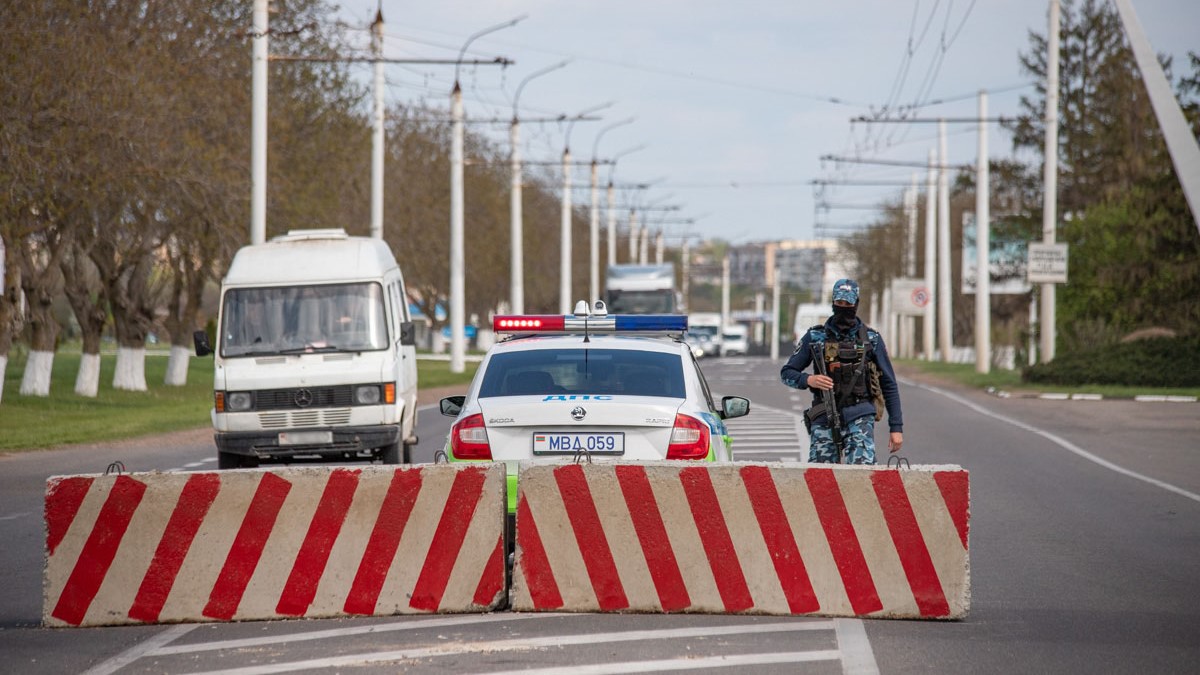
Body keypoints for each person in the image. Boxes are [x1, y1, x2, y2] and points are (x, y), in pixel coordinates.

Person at [780, 278, 903, 464]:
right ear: (833, 303)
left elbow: (889, 384)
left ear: (856, 304)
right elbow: (787, 373)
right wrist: (808, 380)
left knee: (863, 477)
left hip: (860, 414)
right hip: (824, 414)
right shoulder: (815, 337)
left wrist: (896, 427)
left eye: (848, 303)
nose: (843, 307)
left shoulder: (871, 339)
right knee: (821, 480)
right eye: (839, 303)